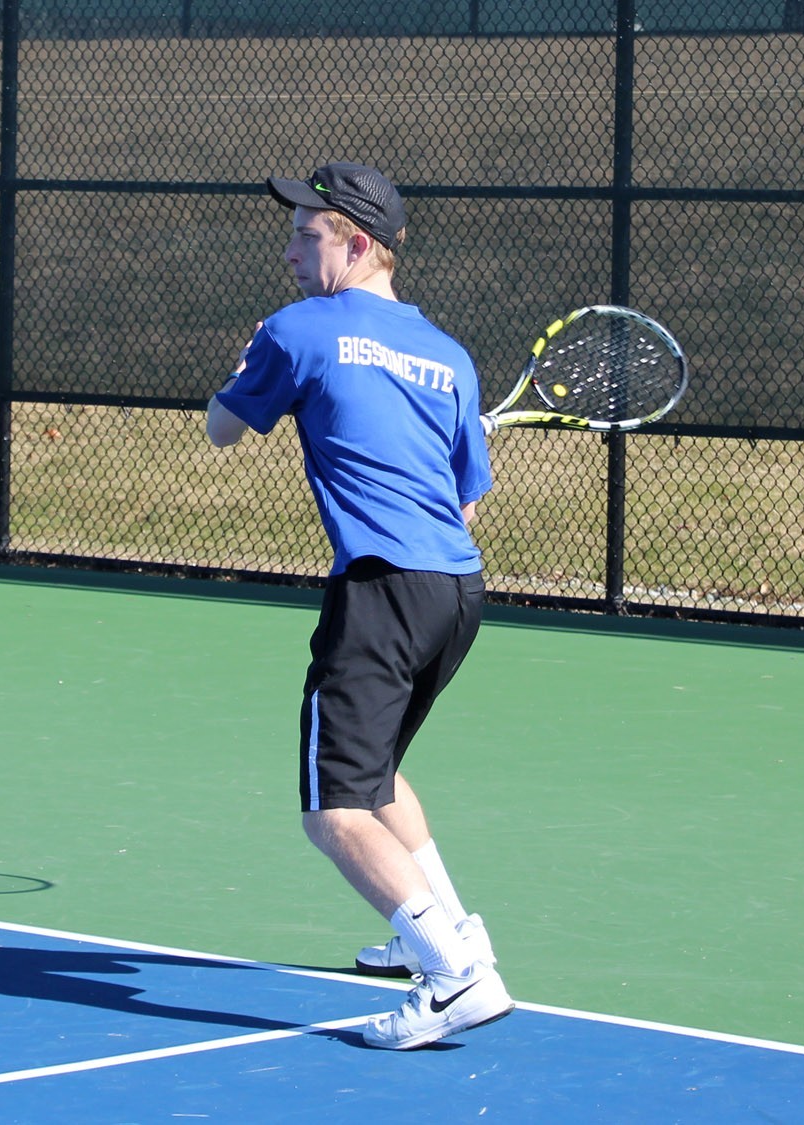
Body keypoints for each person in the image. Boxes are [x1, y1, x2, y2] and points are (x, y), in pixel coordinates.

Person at [204, 162, 510, 1050]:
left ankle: (456, 977)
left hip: (377, 589)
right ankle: (456, 928)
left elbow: (223, 430)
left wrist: (247, 360)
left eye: (308, 233)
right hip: (456, 593)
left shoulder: (296, 332)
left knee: (333, 808)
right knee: (375, 777)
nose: (290, 248)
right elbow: (466, 501)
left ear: (359, 243)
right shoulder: (448, 356)